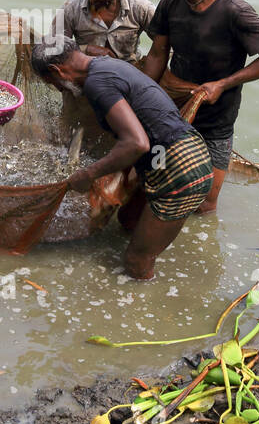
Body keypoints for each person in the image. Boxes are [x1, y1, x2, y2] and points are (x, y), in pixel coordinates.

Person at [32, 35, 213, 280]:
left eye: (51, 82)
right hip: (181, 153)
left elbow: (136, 143)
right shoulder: (107, 66)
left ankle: (142, 309)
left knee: (136, 261)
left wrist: (89, 174)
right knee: (127, 222)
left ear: (57, 71)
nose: (58, 89)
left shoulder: (98, 83)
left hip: (180, 168)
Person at [141, 0, 259, 214]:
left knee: (205, 203)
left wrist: (223, 83)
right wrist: (142, 96)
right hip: (174, 106)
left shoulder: (235, 12)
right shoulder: (171, 4)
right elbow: (158, 54)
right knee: (158, 178)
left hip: (217, 116)